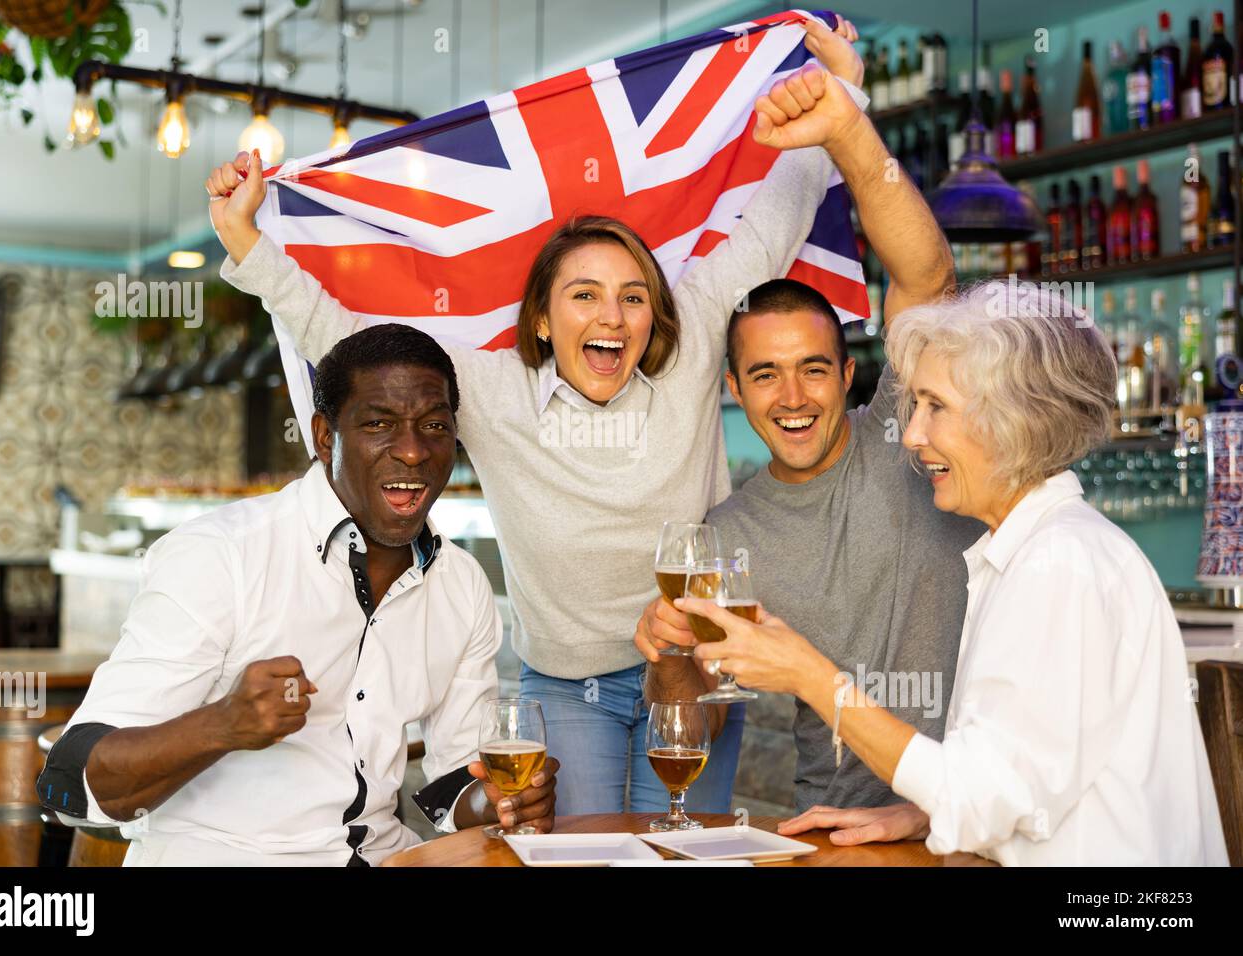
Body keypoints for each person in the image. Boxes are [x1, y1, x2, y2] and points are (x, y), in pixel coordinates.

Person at [207, 19, 869, 816]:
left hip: (694, 666)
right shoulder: (488, 388)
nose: (614, 317)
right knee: (580, 856)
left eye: (632, 297)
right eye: (584, 296)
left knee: (683, 852)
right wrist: (244, 237)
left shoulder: (687, 342)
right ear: (546, 321)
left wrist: (844, 97)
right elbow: (351, 340)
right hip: (567, 684)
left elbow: (773, 224)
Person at [678, 282, 1230, 865]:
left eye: (934, 407)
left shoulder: (1058, 564)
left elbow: (981, 795)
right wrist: (923, 812)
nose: (912, 436)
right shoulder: (1025, 554)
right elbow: (1020, 778)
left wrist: (811, 676)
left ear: (1010, 418)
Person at [37, 324, 558, 865]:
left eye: (434, 425)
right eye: (379, 423)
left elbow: (453, 787)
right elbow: (71, 786)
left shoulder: (461, 583)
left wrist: (501, 799)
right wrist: (221, 725)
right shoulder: (220, 555)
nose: (412, 451)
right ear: (325, 435)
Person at [635, 83, 981, 813]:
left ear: (850, 375)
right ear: (735, 386)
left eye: (813, 369)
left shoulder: (910, 432)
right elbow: (699, 724)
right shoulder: (726, 538)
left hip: (973, 807)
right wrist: (670, 656)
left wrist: (846, 132)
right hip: (832, 821)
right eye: (766, 375)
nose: (792, 398)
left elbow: (928, 278)